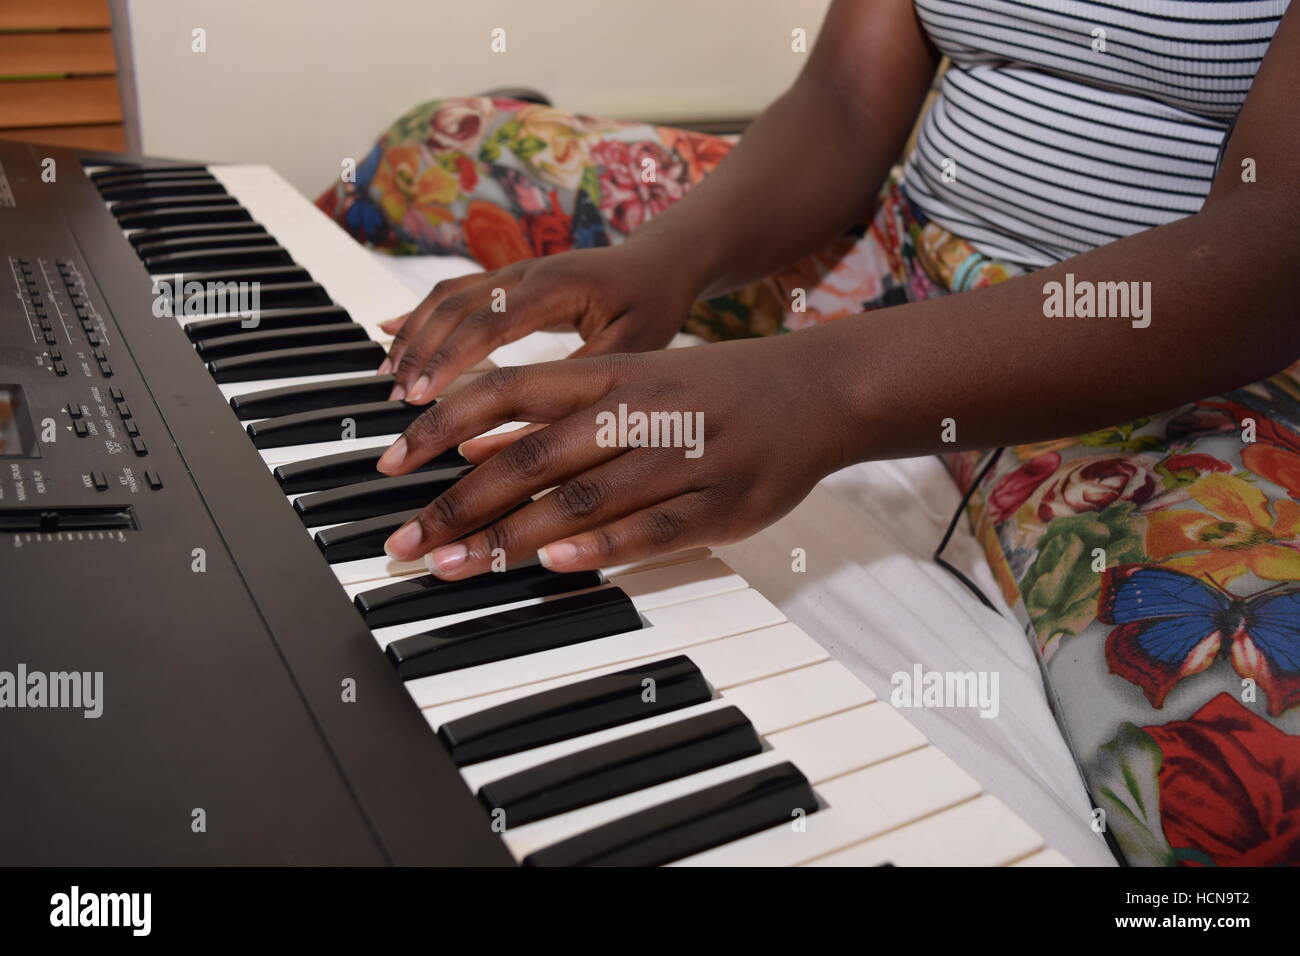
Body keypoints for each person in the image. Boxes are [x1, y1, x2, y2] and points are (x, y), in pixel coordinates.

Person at [319, 0, 1300, 867]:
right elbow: (844, 97)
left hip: (1158, 343)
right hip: (898, 246)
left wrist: (827, 386)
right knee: (438, 148)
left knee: (1251, 787)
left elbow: (1274, 244)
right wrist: (661, 259)